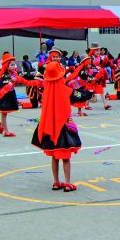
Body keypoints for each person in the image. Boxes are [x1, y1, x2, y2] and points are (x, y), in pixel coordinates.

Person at [29, 61, 82, 191]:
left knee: (54, 156)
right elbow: (78, 95)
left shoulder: (46, 90)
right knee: (65, 157)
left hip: (50, 126)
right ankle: (67, 182)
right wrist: (87, 94)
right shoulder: (65, 89)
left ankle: (56, 181)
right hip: (62, 127)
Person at [0, 53, 21, 136]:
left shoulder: (14, 73)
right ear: (7, 66)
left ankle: (2, 124)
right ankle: (6, 131)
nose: (14, 66)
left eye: (14, 65)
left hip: (11, 94)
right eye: (12, 65)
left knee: (4, 113)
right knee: (4, 113)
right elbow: (0, 82)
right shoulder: (4, 75)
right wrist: (10, 79)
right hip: (4, 96)